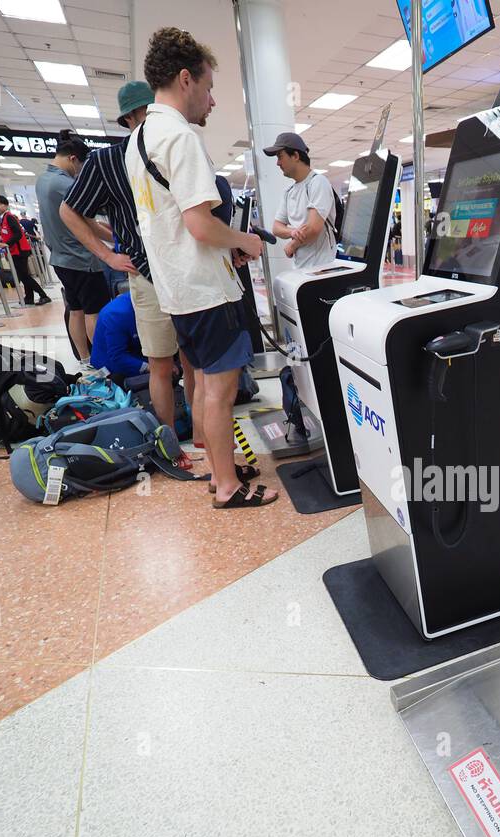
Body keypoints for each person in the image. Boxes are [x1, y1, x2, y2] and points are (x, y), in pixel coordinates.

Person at [127, 27, 273, 509]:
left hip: (176, 288)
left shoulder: (139, 138)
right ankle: (228, 488)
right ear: (186, 79)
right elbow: (200, 225)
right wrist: (246, 241)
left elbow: (171, 219)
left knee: (203, 384)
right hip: (207, 290)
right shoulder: (180, 137)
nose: (211, 101)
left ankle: (219, 470)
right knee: (220, 390)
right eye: (209, 88)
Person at [61, 79, 206, 450]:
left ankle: (189, 438)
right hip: (152, 272)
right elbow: (70, 211)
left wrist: (109, 248)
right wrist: (107, 254)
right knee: (173, 363)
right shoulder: (108, 159)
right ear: (131, 117)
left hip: (179, 270)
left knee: (178, 362)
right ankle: (174, 439)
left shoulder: (172, 144)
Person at [35, 133, 107, 362]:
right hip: (81, 259)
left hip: (60, 259)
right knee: (94, 313)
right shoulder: (65, 184)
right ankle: (103, 362)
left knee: (75, 310)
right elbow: (90, 225)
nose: (80, 172)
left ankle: (85, 360)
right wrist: (117, 238)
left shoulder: (43, 180)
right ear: (74, 159)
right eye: (81, 166)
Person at [266, 131, 338, 270]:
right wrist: (293, 232)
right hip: (300, 268)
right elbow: (276, 228)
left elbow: (312, 230)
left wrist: (291, 245)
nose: (277, 163)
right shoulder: (289, 192)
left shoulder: (318, 182)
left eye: (280, 157)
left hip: (322, 268)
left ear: (296, 156)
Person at [0, 196, 50, 306]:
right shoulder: (2, 218)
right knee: (23, 275)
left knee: (24, 276)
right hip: (14, 251)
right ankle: (29, 297)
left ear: (5, 204)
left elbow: (18, 233)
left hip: (19, 251)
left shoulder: (9, 217)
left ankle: (43, 295)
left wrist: (7, 243)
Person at [88, 290, 147, 384]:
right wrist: (150, 367)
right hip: (112, 366)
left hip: (135, 352)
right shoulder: (116, 314)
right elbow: (118, 356)